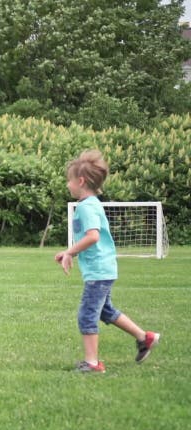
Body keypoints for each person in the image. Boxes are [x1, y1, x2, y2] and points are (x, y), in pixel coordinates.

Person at [54, 150, 160, 373]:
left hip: (99, 271)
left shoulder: (86, 207)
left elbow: (93, 236)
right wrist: (71, 253)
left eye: (69, 180)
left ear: (80, 181)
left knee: (87, 314)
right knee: (105, 311)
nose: (67, 184)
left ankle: (92, 363)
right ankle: (144, 337)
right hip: (103, 269)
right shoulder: (91, 204)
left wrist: (70, 252)